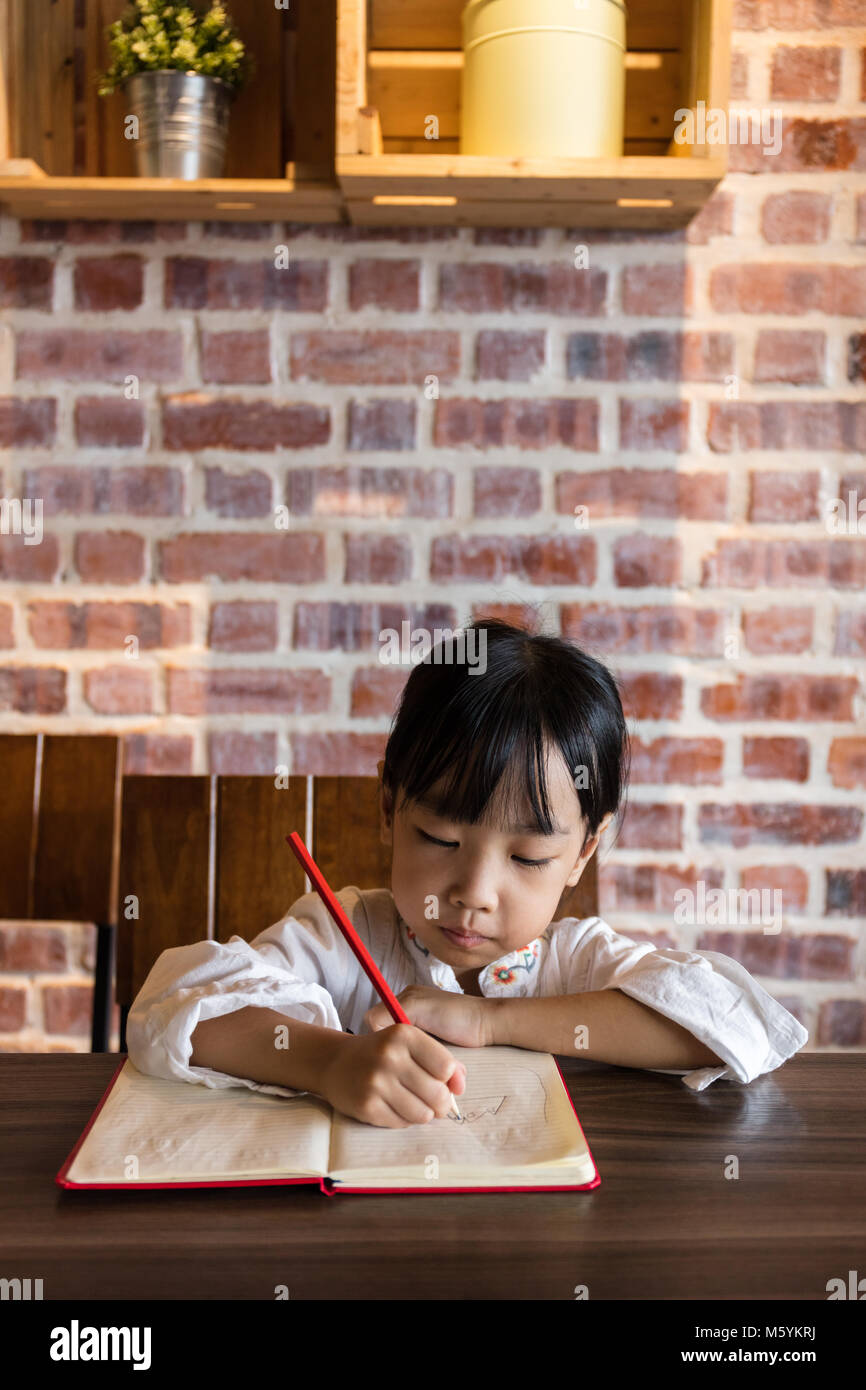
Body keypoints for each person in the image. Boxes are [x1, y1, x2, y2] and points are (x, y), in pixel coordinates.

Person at [127, 619, 808, 1129]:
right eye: (440, 837)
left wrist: (490, 1022)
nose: (473, 895)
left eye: (528, 858)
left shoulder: (574, 963)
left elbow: (730, 1022)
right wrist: (329, 1061)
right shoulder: (342, 934)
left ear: (582, 856)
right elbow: (176, 1007)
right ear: (390, 809)